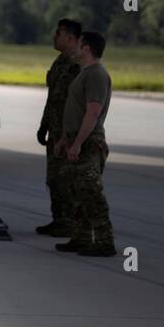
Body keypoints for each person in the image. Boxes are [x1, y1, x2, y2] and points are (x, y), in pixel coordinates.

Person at [53, 31, 116, 256]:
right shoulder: (85, 73)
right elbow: (77, 111)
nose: (75, 49)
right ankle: (81, 238)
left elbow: (93, 112)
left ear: (86, 48)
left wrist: (78, 143)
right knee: (77, 194)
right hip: (76, 140)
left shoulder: (97, 74)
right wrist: (64, 140)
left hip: (89, 143)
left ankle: (105, 241)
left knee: (92, 194)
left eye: (78, 45)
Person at [36, 18, 82, 236]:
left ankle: (71, 223)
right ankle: (59, 219)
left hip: (68, 131)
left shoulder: (78, 64)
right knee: (53, 177)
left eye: (58, 34)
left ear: (71, 38)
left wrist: (72, 133)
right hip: (54, 130)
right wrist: (43, 125)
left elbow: (81, 103)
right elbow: (52, 97)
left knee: (66, 178)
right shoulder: (60, 62)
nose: (54, 37)